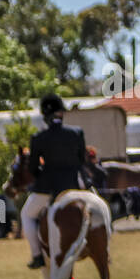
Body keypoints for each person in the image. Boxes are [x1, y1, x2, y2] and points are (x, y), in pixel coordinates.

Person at [21, 94, 90, 268]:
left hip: (48, 188)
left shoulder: (38, 138)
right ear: (61, 113)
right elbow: (82, 160)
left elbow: (32, 168)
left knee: (26, 215)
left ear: (45, 115)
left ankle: (37, 255)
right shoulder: (77, 132)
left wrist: (39, 175)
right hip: (73, 186)